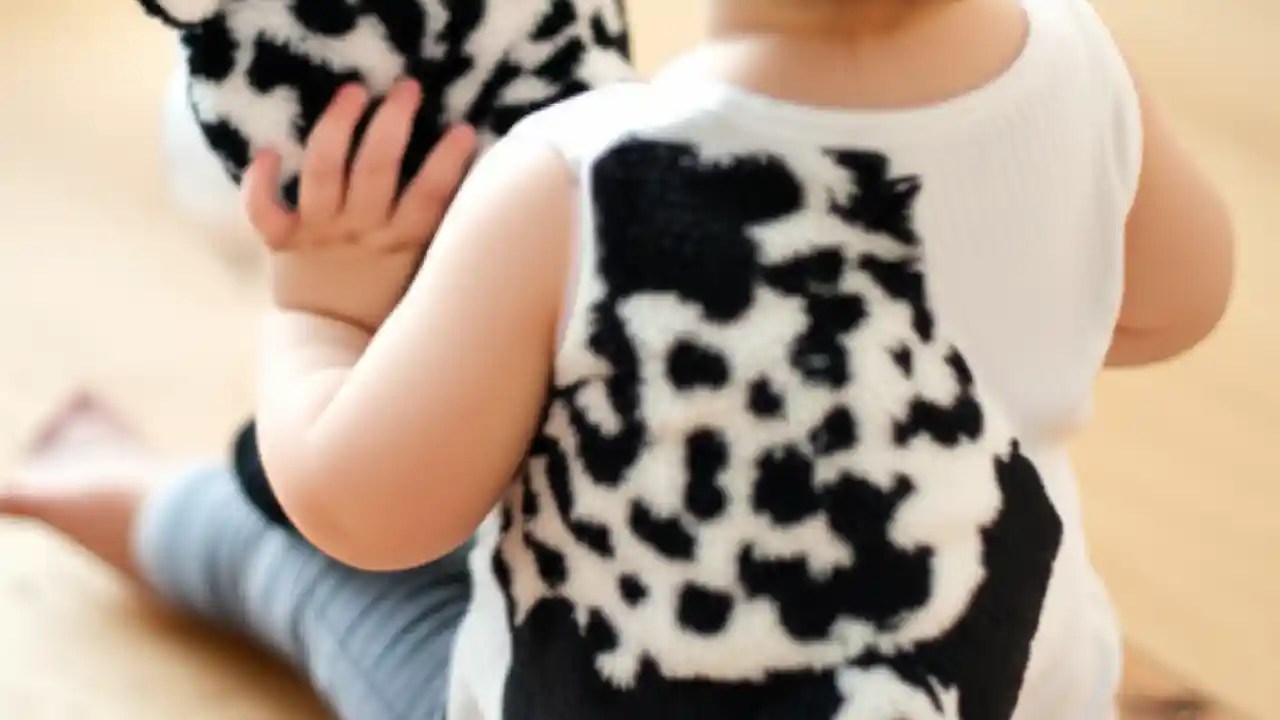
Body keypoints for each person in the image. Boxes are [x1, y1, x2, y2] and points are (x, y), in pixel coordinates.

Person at [1, 0, 1234, 718]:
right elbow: (1174, 304)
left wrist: (317, 309)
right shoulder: (1078, 57)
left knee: (320, 581)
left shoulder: (572, 175)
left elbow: (359, 510)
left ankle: (136, 501)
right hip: (990, 696)